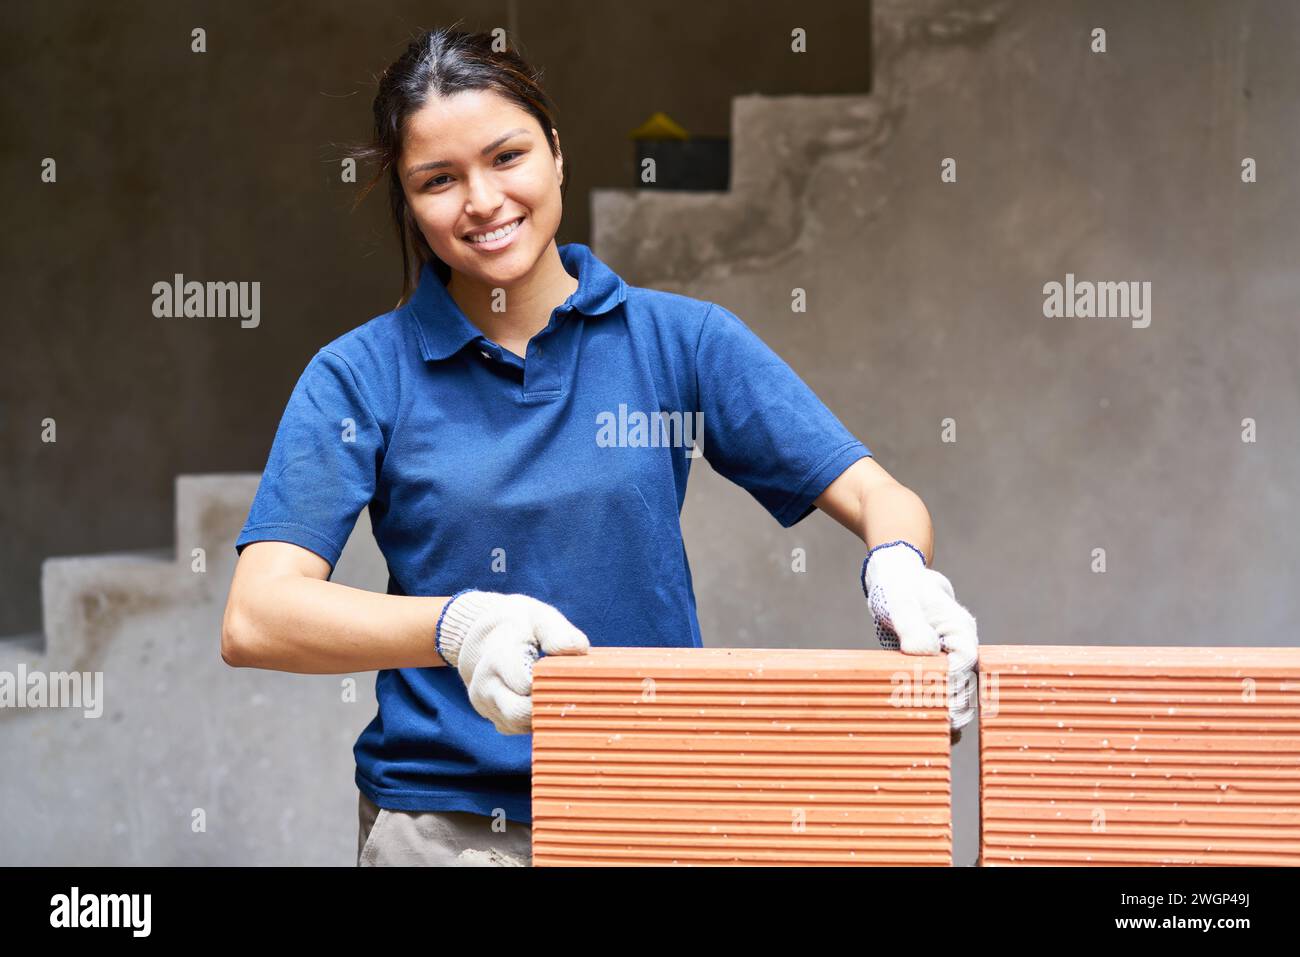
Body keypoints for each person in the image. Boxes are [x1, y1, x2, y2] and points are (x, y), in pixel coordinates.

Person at [220, 26, 978, 868]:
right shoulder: (361, 375)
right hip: (446, 829)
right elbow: (258, 614)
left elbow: (880, 495)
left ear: (555, 153)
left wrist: (898, 569)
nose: (481, 199)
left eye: (505, 156)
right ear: (408, 201)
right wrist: (458, 626)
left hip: (654, 812)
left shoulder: (677, 341)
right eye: (438, 180)